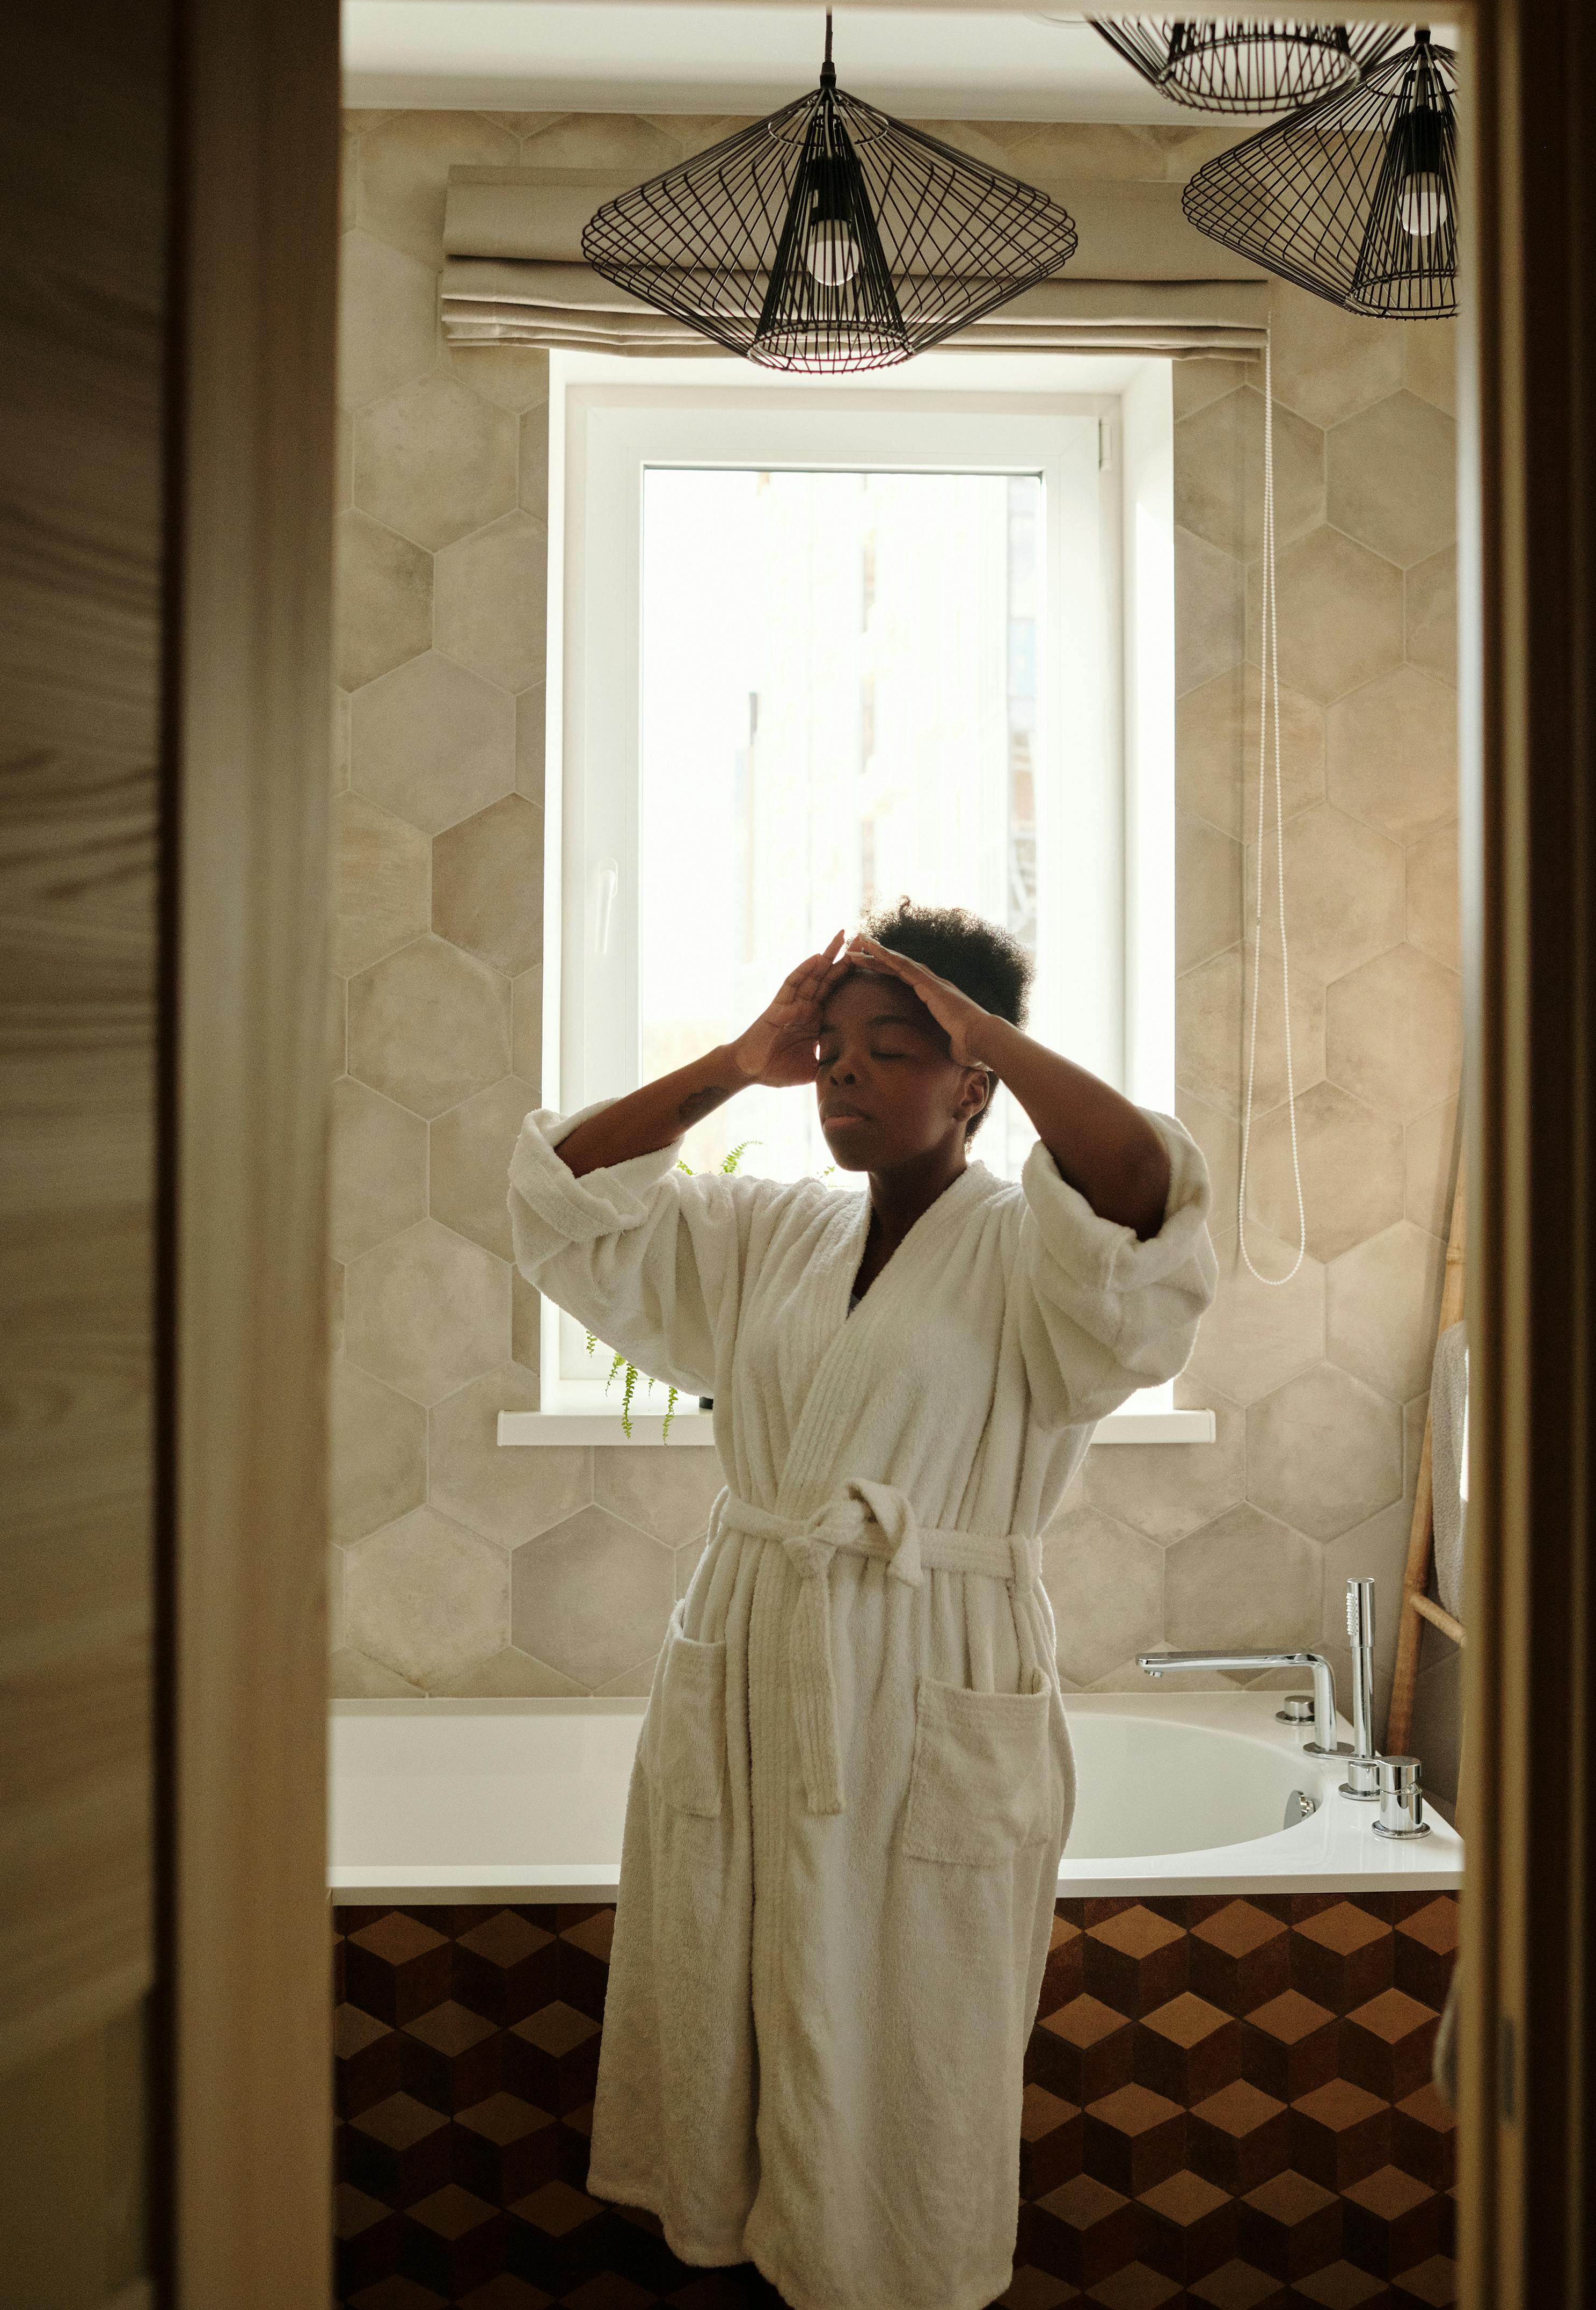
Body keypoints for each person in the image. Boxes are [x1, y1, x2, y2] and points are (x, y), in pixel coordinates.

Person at [506, 900, 1217, 2310]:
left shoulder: (1037, 1248)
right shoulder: (769, 1231)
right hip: (755, 1655)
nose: (842, 1071)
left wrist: (991, 1026)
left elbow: (1148, 1201)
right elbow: (566, 1199)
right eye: (830, 1047)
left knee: (910, 2038)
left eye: (894, 1048)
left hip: (928, 1673)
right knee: (734, 2012)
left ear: (972, 1080)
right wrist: (734, 1058)